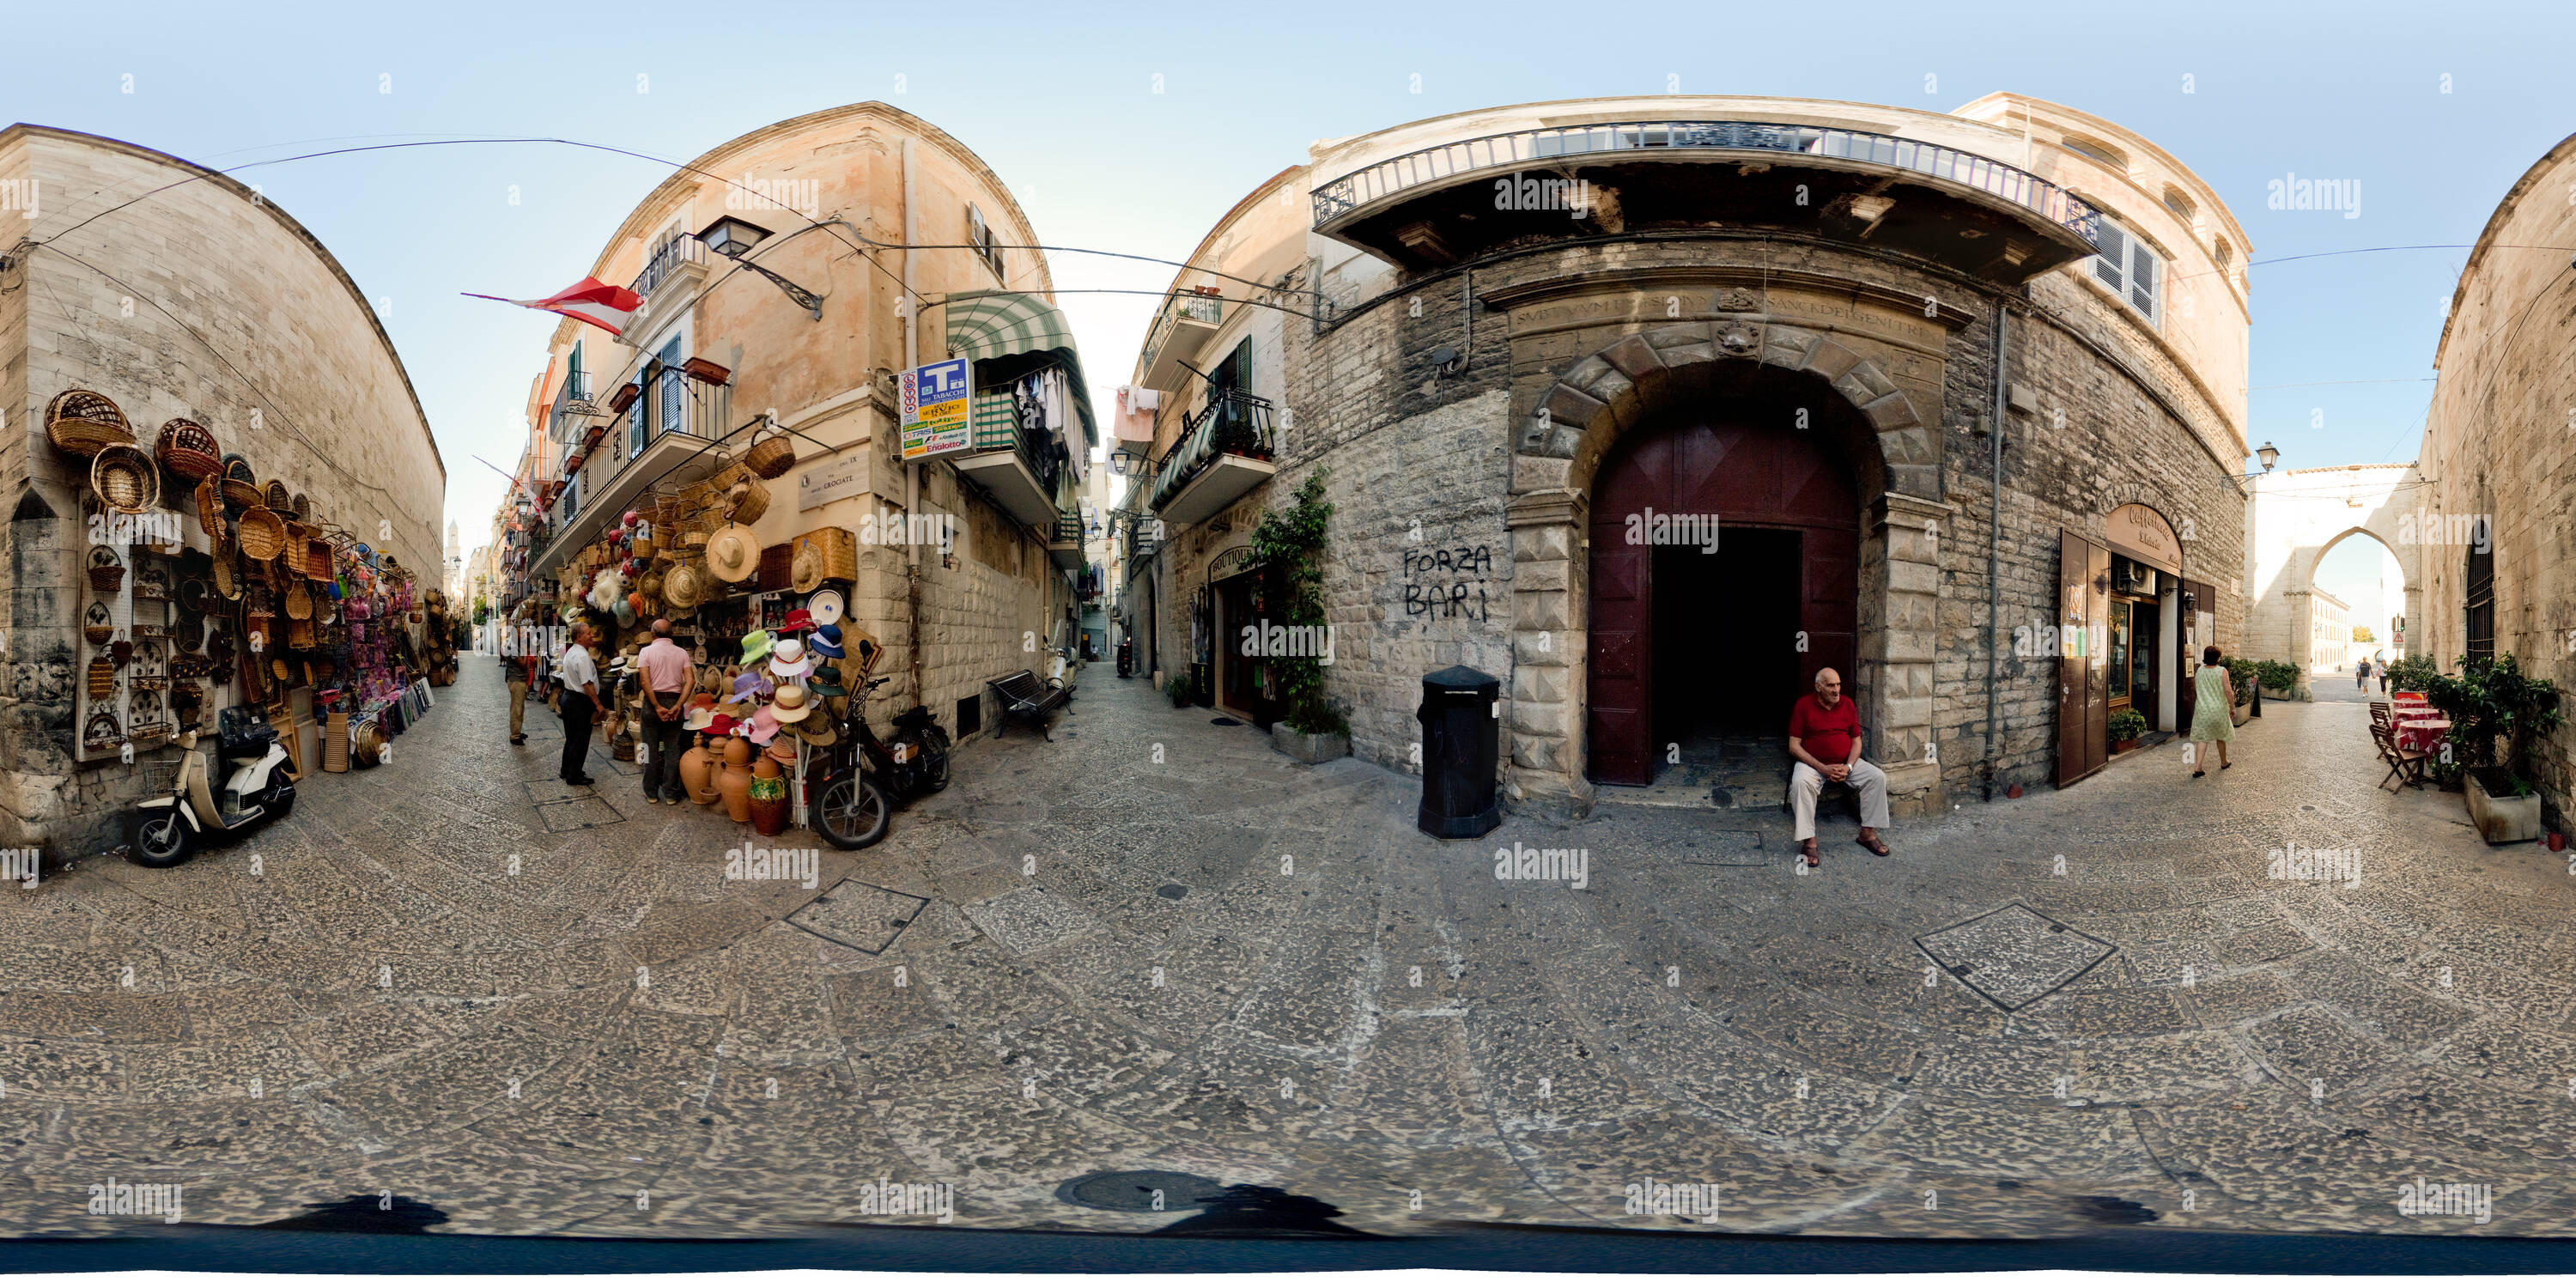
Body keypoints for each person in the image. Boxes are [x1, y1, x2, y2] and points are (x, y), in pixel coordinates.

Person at [1787, 667, 1891, 867]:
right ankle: (1809, 841)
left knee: (1877, 777)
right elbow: (1794, 746)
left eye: (1838, 684)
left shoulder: (1847, 704)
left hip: (1845, 763)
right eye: (1830, 685)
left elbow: (1856, 741)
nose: (1836, 690)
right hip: (1814, 764)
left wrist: (1849, 767)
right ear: (1818, 687)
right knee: (1800, 782)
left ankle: (1867, 834)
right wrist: (1821, 767)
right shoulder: (1804, 705)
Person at [637, 619, 696, 805]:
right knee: (672, 751)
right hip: (674, 701)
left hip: (652, 703)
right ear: (671, 634)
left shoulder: (645, 652)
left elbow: (645, 682)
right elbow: (691, 681)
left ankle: (651, 792)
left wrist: (656, 706)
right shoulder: (681, 653)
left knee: (649, 749)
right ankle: (670, 793)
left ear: (653, 634)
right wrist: (679, 705)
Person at [556, 623, 601, 787]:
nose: (592, 635)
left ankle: (566, 769)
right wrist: (598, 705)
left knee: (571, 738)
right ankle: (574, 776)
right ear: (579, 637)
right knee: (580, 740)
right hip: (579, 702)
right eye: (589, 633)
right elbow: (587, 684)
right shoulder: (582, 657)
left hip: (569, 698)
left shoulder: (572, 652)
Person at [2189, 643, 2233, 778]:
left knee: (2203, 738)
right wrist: (2232, 707)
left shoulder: (2200, 671)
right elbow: (2228, 691)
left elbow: (2197, 688)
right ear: (2218, 658)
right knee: (2221, 736)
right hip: (2218, 709)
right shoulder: (2222, 671)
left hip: (2202, 710)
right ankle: (2224, 761)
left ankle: (2198, 767)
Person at [502, 649, 531, 745]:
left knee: (519, 707)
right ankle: (515, 736)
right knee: (517, 708)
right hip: (516, 680)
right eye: (521, 632)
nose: (524, 633)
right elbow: (522, 663)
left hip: (519, 679)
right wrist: (527, 652)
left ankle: (517, 732)